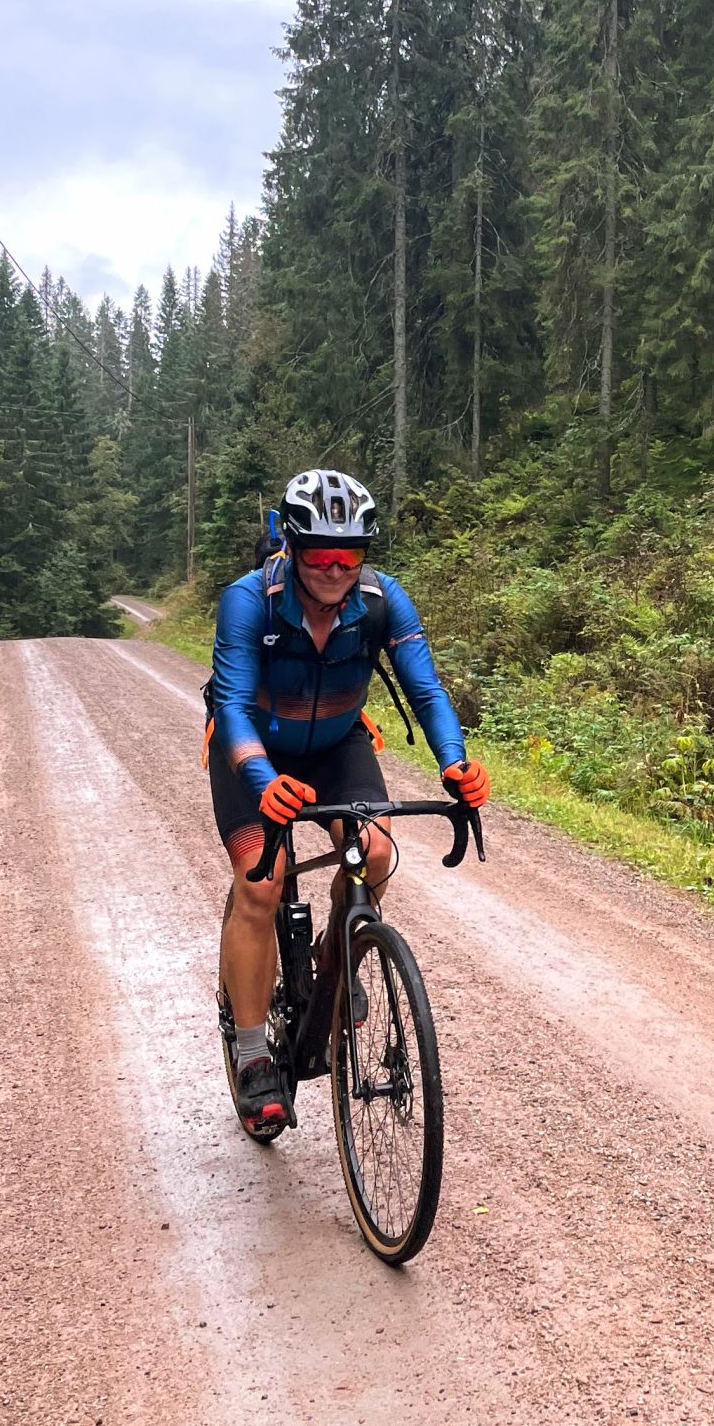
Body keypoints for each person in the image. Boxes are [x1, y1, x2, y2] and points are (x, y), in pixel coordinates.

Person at [204, 467, 489, 1136]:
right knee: (262, 883)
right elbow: (233, 703)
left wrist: (456, 764)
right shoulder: (249, 601)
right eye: (320, 554)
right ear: (291, 547)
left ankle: (338, 956)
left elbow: (427, 693)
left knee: (377, 856)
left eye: (350, 554)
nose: (335, 569)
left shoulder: (384, 601)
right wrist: (261, 782)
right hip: (254, 750)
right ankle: (252, 1055)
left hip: (338, 744)